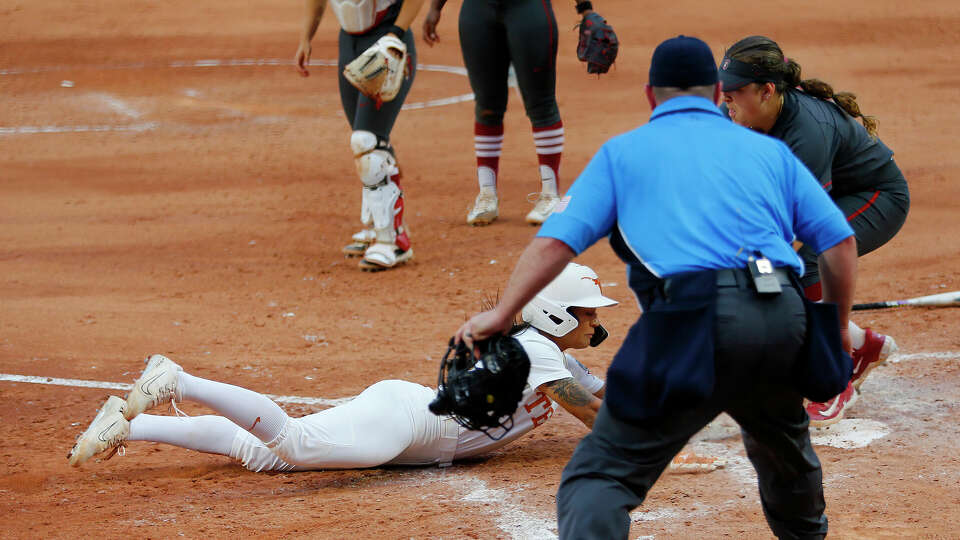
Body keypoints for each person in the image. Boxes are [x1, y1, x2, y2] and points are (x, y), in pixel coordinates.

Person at [455, 36, 859, 538]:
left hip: (690, 317)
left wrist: (502, 313)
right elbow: (839, 245)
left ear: (651, 94)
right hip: (781, 313)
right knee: (785, 453)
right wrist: (837, 327)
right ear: (717, 92)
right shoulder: (768, 152)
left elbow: (556, 243)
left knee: (600, 475)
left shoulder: (624, 153)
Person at [67, 263, 628, 472]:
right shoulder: (540, 354)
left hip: (412, 425)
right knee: (291, 441)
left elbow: (612, 399)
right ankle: (179, 378)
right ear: (555, 313)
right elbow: (595, 419)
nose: (595, 324)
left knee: (263, 456)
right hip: (410, 425)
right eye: (587, 314)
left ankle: (131, 425)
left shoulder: (553, 354)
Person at [718, 35, 907, 425]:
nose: (727, 101)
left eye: (736, 92)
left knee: (802, 266)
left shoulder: (806, 133)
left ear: (767, 91)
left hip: (875, 197)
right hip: (831, 198)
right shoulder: (737, 118)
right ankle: (862, 345)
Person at [421, 0, 602, 226]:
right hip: (478, 11)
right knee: (487, 105)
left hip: (528, 9)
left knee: (541, 104)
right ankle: (487, 195)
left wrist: (585, 8)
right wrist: (435, 8)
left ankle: (550, 194)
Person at [295, 0, 425, 271]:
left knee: (368, 140)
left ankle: (393, 241)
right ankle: (379, 226)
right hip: (350, 43)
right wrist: (306, 38)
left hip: (387, 41)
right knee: (367, 139)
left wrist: (396, 34)